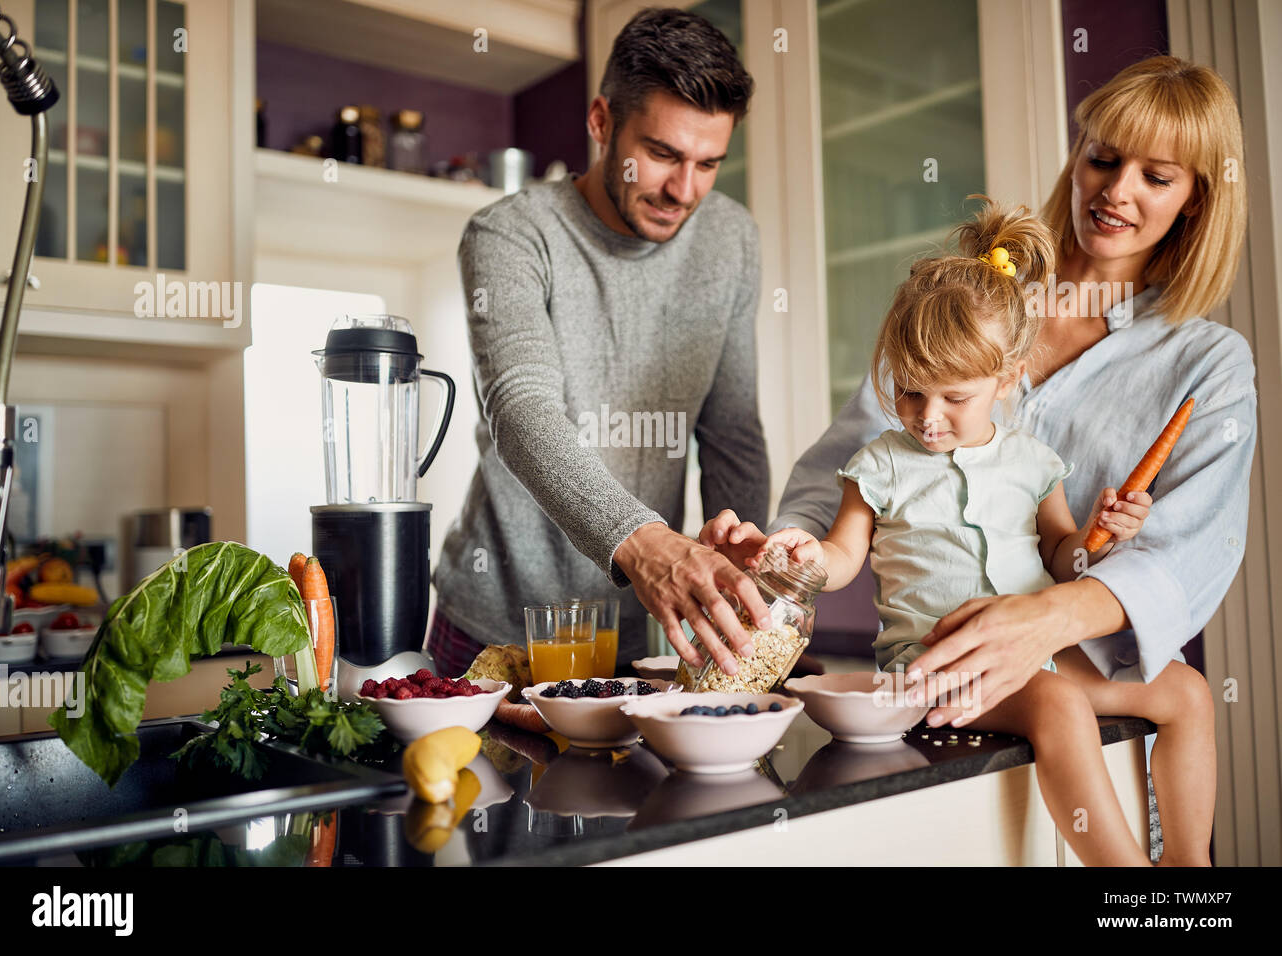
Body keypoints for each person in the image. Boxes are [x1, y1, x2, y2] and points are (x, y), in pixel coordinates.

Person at [702, 56, 1255, 866]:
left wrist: (1056, 603)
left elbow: (1190, 548)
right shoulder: (965, 312)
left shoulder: (1208, 362)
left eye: (1156, 176)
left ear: (1197, 196)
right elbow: (843, 469)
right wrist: (791, 555)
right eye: (1102, 158)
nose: (1116, 191)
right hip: (965, 727)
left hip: (1100, 753)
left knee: (1184, 713)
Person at [757, 201, 1175, 866]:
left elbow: (1064, 559)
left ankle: (1186, 865)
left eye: (955, 398)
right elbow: (843, 555)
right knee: (1060, 706)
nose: (928, 418)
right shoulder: (880, 464)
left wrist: (1099, 537)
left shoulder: (1036, 463)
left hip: (1032, 654)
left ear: (1008, 380)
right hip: (935, 667)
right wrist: (807, 553)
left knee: (1185, 691)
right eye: (911, 393)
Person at [430, 7, 772, 679]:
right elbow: (522, 411)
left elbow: (731, 432)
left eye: (709, 163)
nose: (684, 191)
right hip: (494, 629)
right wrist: (644, 547)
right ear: (600, 122)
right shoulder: (510, 235)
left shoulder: (732, 240)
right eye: (663, 155)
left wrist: (743, 591)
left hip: (639, 636)